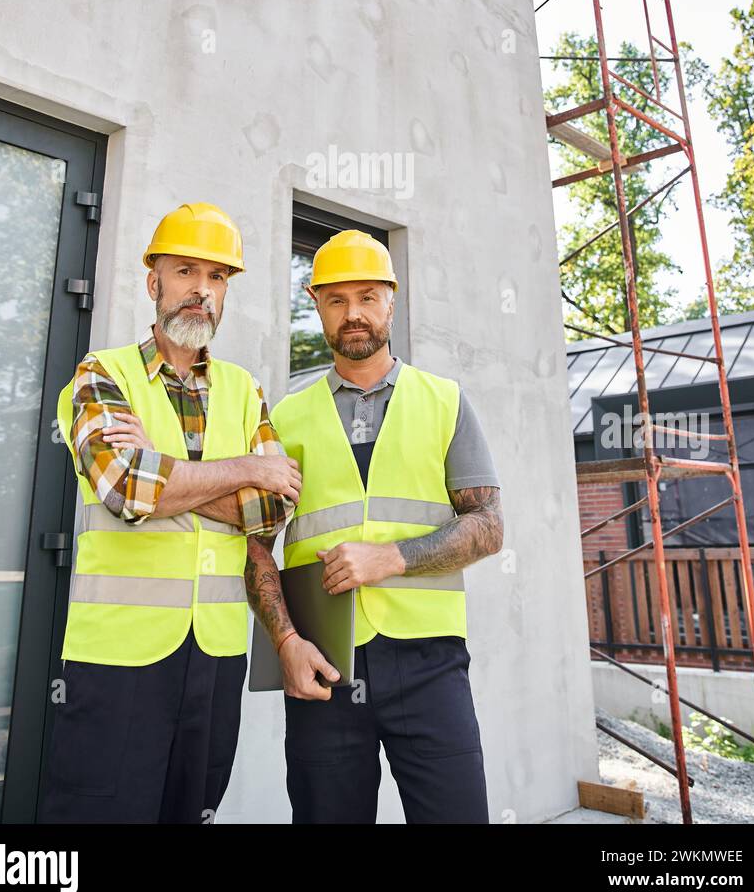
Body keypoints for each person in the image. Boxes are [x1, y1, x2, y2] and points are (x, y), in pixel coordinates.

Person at [40, 202, 300, 824]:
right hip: (117, 655)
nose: (201, 291)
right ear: (153, 281)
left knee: (191, 812)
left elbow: (271, 513)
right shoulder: (101, 375)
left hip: (214, 655)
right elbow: (126, 490)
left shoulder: (245, 390)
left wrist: (165, 473)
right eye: (185, 272)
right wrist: (243, 469)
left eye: (216, 279)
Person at [246, 229, 503, 824]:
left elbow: (488, 526)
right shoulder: (285, 417)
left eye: (367, 296)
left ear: (392, 300)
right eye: (336, 300)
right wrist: (285, 643)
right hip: (324, 661)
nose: (353, 313)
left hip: (430, 662)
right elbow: (256, 547)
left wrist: (394, 558)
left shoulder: (446, 402)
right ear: (316, 306)